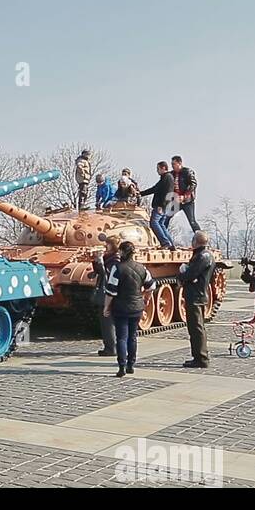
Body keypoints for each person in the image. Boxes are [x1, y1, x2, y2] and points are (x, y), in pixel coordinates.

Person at [104, 240, 156, 377]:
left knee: (121, 337)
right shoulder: (141, 268)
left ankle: (121, 366)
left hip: (120, 307)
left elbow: (111, 291)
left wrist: (106, 307)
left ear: (121, 252)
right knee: (132, 337)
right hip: (137, 307)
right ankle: (131, 365)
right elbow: (151, 286)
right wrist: (146, 298)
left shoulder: (117, 268)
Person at [179, 231, 216, 368]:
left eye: (193, 239)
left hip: (195, 295)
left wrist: (182, 273)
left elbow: (190, 274)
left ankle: (201, 358)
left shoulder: (202, 256)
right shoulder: (207, 255)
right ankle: (199, 356)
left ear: (196, 241)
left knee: (196, 328)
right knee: (197, 327)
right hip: (199, 293)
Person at [92, 235, 121, 356]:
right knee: (107, 321)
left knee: (107, 321)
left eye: (108, 244)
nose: (105, 246)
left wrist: (100, 261)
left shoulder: (115, 259)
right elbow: (99, 271)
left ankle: (111, 347)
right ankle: (111, 346)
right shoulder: (110, 257)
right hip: (109, 293)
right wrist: (97, 261)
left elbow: (107, 276)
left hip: (109, 293)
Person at [140, 161, 176, 249]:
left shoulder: (167, 178)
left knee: (154, 222)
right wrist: (140, 193)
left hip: (161, 206)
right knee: (161, 224)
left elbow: (167, 192)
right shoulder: (166, 178)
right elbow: (155, 189)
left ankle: (165, 242)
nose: (157, 171)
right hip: (166, 205)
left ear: (163, 168)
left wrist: (161, 205)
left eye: (158, 169)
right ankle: (170, 244)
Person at [170, 155, 201, 232]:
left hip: (187, 202)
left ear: (179, 163)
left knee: (192, 221)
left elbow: (193, 184)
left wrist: (185, 196)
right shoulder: (171, 174)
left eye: (174, 164)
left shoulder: (187, 172)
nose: (172, 166)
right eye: (172, 164)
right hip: (176, 201)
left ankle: (201, 239)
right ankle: (163, 238)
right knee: (166, 217)